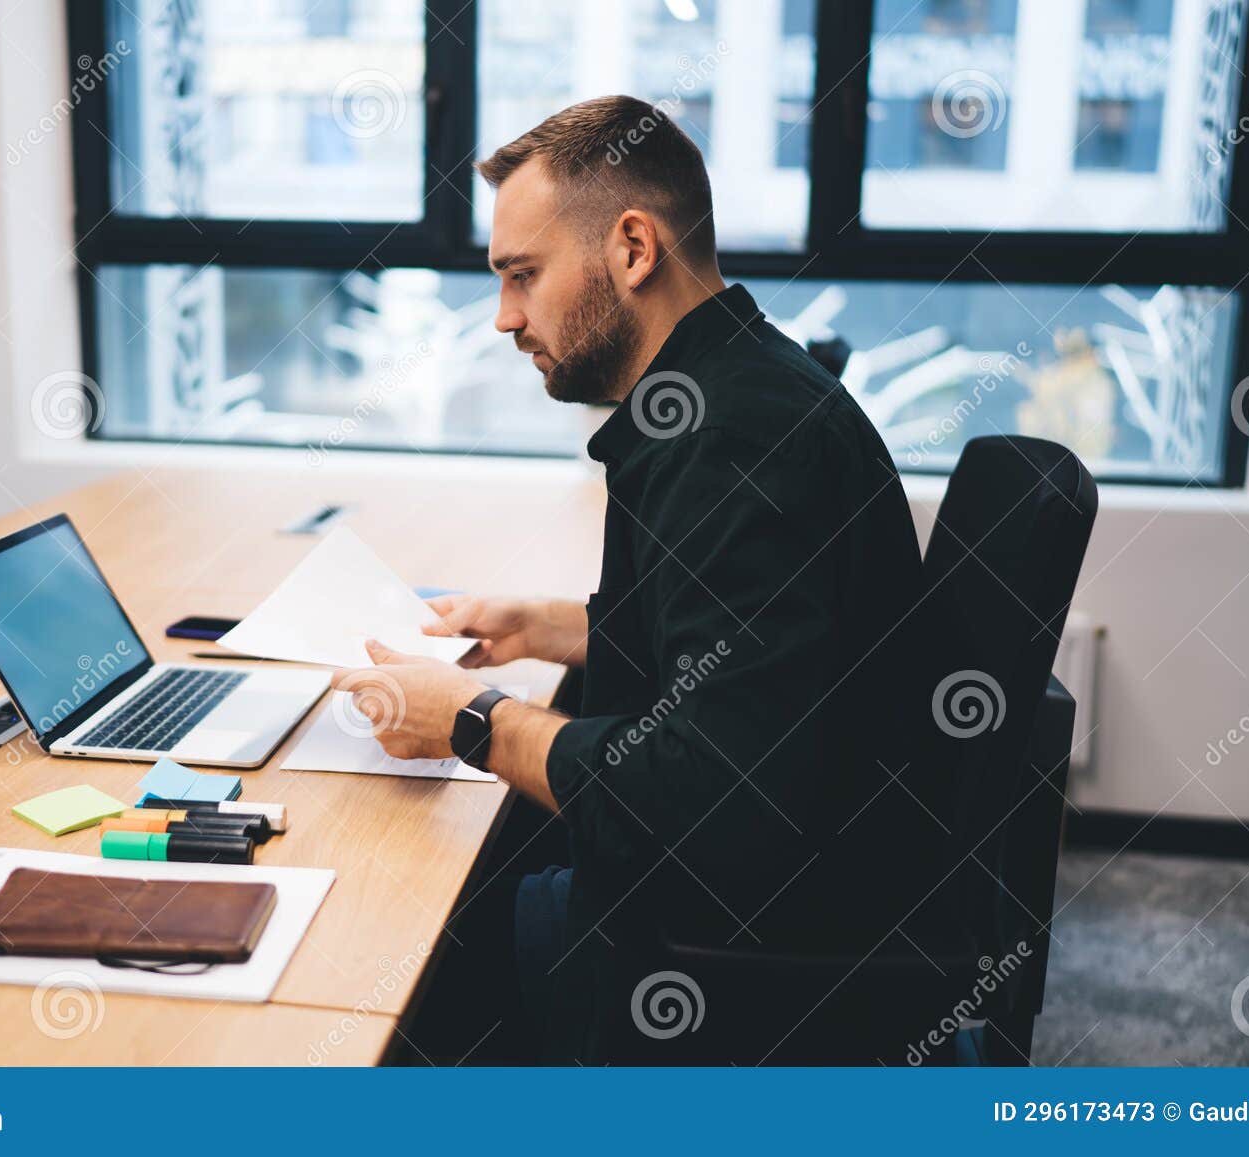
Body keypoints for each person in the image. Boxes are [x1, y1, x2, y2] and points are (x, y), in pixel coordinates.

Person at [331, 95, 942, 1063]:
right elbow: (748, 653)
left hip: (745, 937)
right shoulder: (733, 388)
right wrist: (552, 626)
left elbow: (717, 791)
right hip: (811, 864)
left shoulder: (731, 442)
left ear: (630, 246)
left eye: (522, 276)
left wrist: (470, 718)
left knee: (391, 938)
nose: (503, 318)